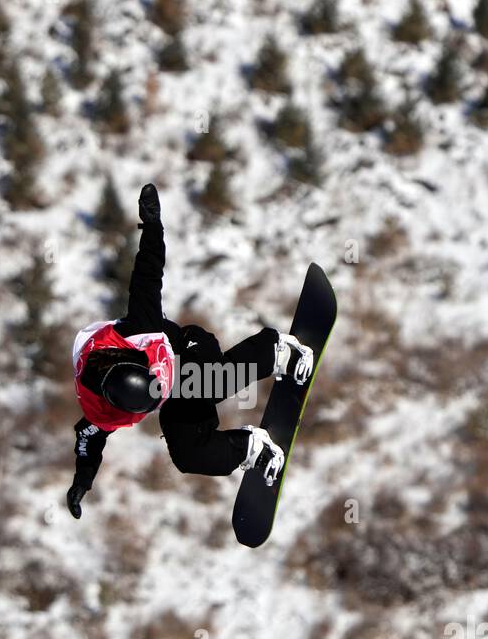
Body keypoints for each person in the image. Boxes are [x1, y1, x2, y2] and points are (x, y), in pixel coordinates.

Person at [66, 184, 313, 519]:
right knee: (187, 456)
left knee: (208, 384)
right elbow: (88, 441)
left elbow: (148, 273)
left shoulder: (139, 328)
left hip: (187, 349)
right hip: (174, 390)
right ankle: (249, 450)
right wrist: (82, 481)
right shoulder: (101, 412)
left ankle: (275, 351)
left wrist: (152, 224)